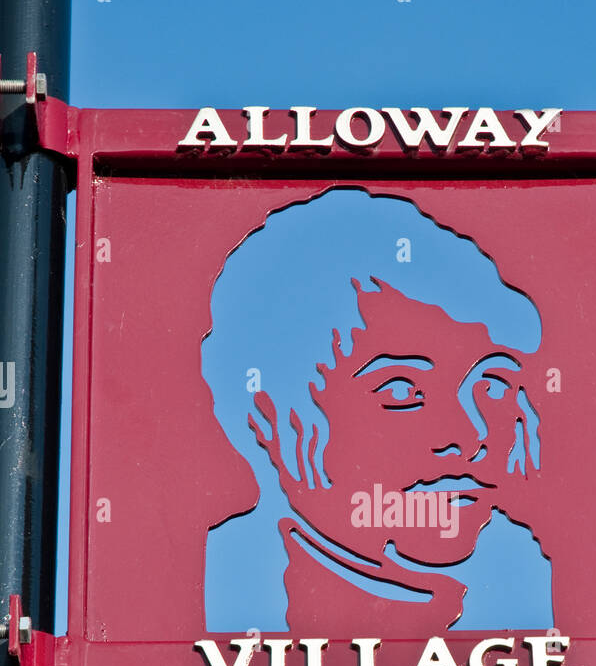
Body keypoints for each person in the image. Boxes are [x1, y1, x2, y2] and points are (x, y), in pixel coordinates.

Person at [202, 187, 553, 635]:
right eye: (403, 390)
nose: (469, 436)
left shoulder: (539, 581)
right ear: (275, 419)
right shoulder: (199, 602)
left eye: (491, 387)